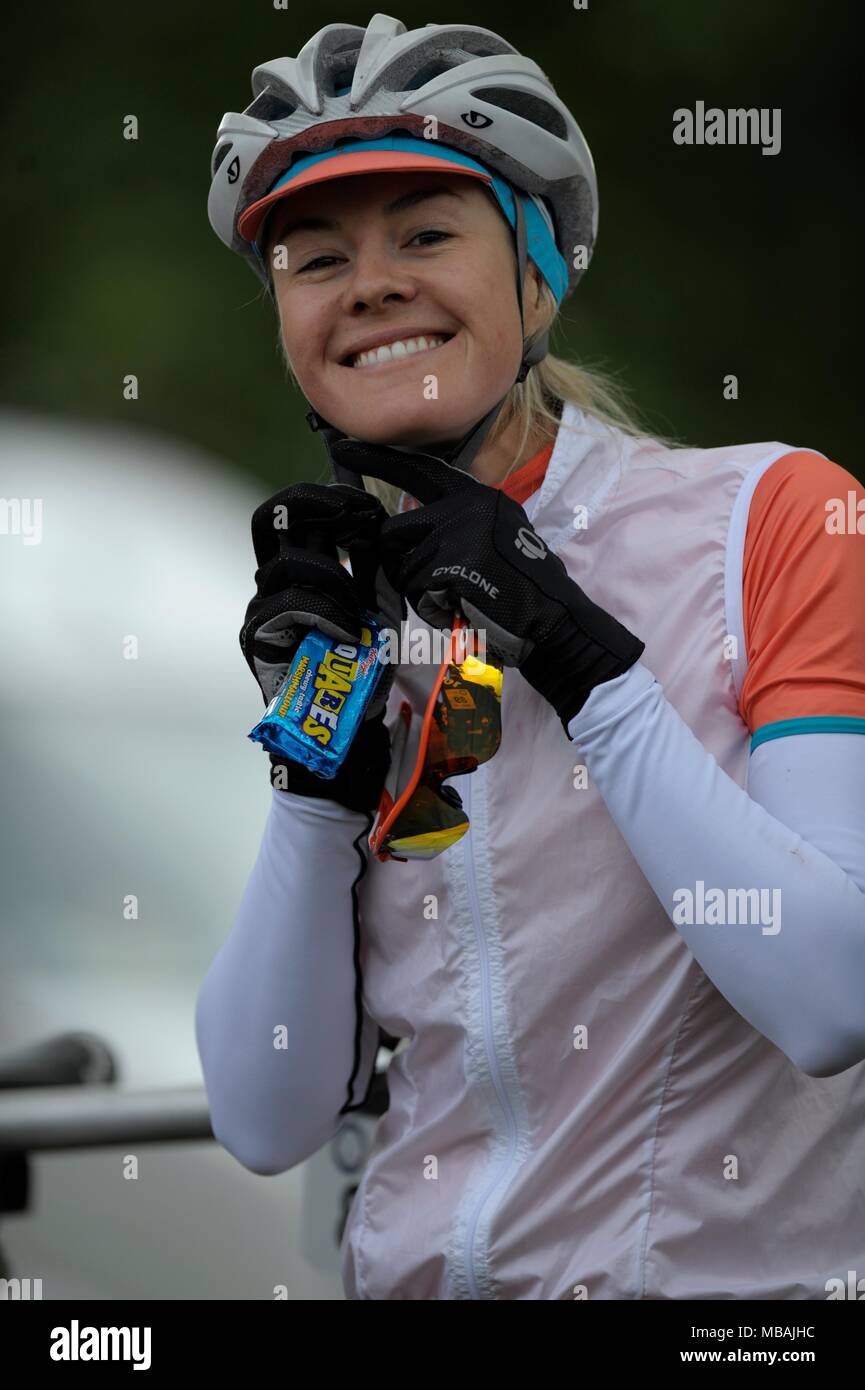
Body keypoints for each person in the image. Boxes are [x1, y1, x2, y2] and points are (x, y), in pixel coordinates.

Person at [195, 14, 865, 1300]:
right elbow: (264, 1115)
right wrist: (315, 777)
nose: (370, 283)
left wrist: (585, 664)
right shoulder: (356, 606)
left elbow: (831, 997)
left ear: (541, 274)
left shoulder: (770, 518)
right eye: (315, 257)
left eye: (429, 235)